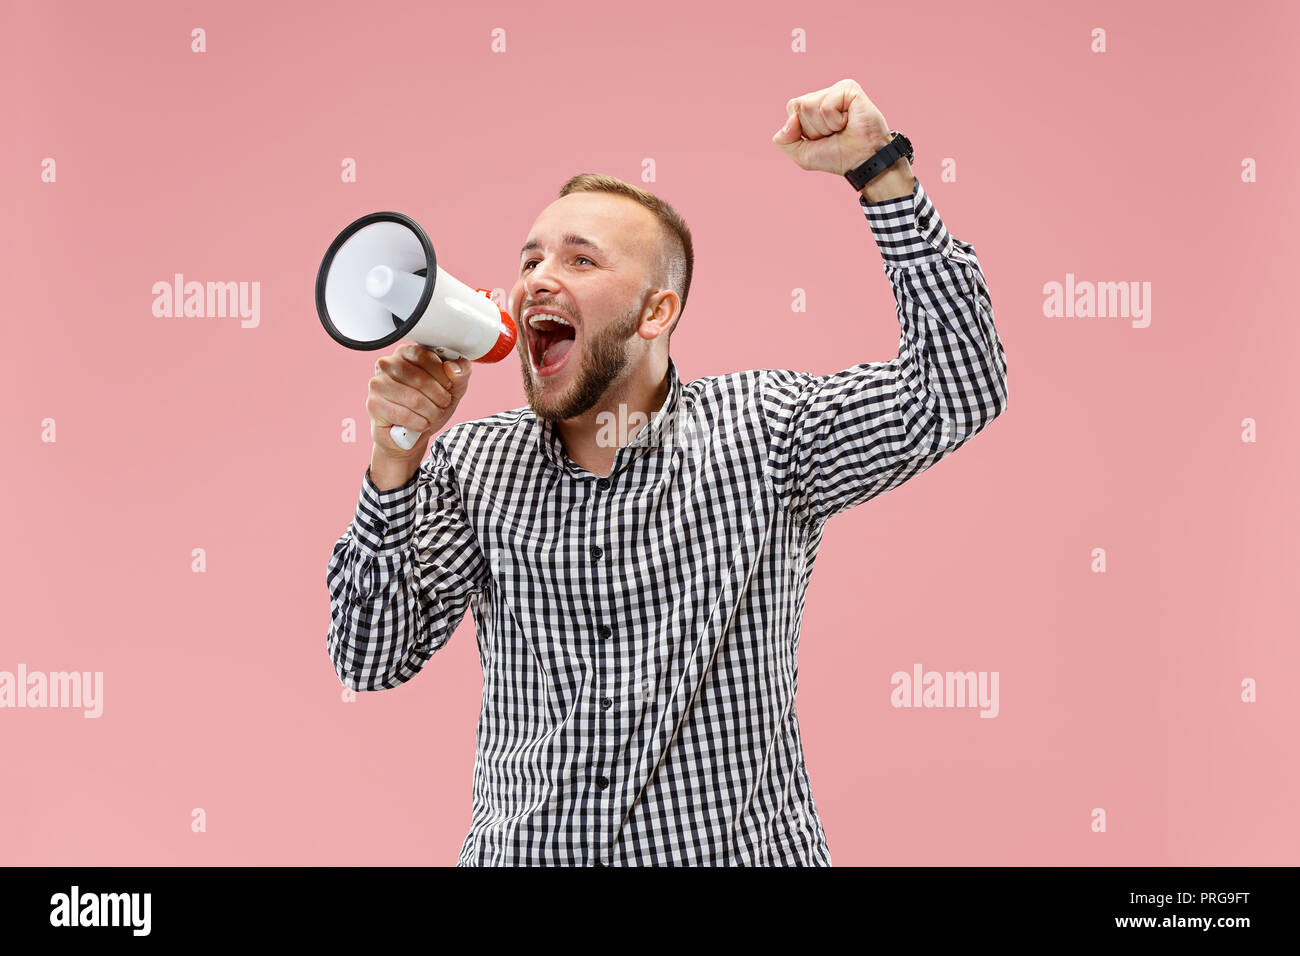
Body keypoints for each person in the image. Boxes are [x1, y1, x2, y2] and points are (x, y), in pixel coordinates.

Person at [326, 79, 1008, 866]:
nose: (539, 278)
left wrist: (882, 173)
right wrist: (394, 459)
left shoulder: (766, 433)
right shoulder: (473, 465)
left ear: (656, 312)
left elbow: (958, 388)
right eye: (531, 258)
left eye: (581, 259)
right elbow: (370, 657)